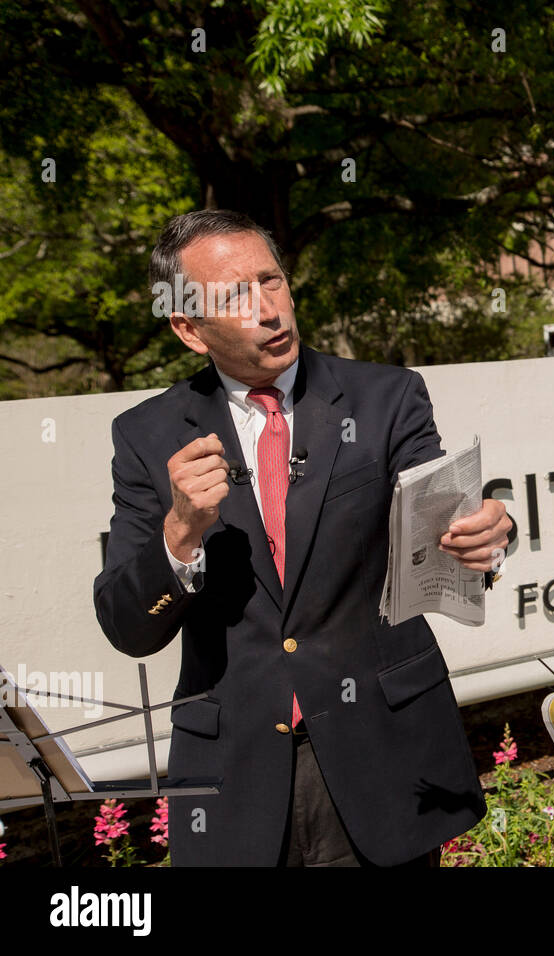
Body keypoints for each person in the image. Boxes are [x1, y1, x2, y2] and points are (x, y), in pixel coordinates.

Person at [93, 210, 513, 866]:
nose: (268, 309)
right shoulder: (146, 437)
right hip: (236, 778)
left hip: (381, 758)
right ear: (187, 327)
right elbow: (127, 624)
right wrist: (179, 534)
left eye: (273, 281)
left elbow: (447, 520)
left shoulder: (385, 397)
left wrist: (491, 533)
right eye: (235, 295)